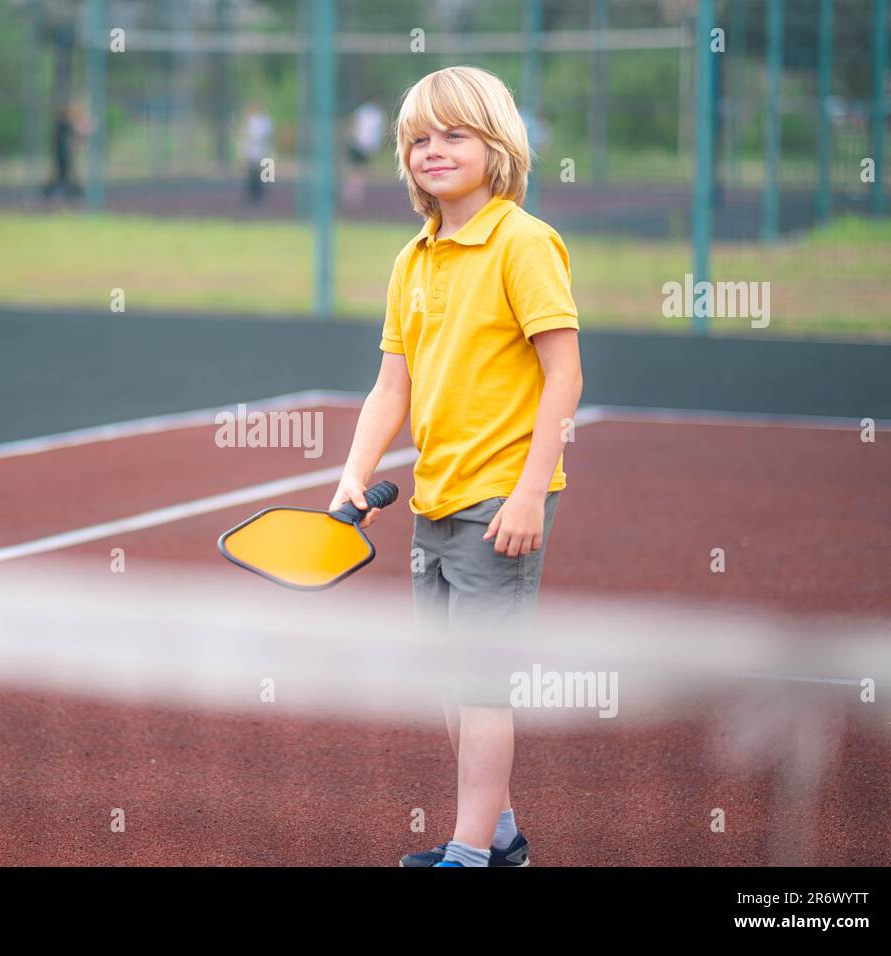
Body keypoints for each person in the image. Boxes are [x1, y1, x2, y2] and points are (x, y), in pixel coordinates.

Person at [327, 66, 583, 868]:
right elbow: (390, 384)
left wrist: (529, 493)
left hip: (498, 508)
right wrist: (351, 471)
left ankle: (471, 856)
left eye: (454, 135)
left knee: (480, 687)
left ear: (498, 145)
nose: (433, 151)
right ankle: (496, 835)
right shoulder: (414, 258)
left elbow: (565, 375)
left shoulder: (523, 242)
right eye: (418, 140)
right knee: (449, 681)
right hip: (433, 503)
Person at [343, 94, 388, 209]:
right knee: (360, 170)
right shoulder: (375, 113)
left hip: (362, 144)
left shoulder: (368, 111)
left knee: (358, 170)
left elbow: (354, 123)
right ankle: (353, 192)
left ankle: (352, 191)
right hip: (363, 144)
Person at [43, 102, 92, 199]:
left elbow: (73, 137)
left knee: (64, 174)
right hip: (62, 154)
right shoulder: (63, 125)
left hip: (63, 154)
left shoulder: (62, 125)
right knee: (62, 174)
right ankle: (51, 192)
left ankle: (62, 191)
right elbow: (69, 139)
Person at [239, 102, 274, 205]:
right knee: (252, 174)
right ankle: (252, 196)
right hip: (252, 152)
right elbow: (244, 135)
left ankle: (261, 196)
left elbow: (268, 136)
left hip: (262, 151)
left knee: (263, 175)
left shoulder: (265, 121)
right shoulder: (250, 121)